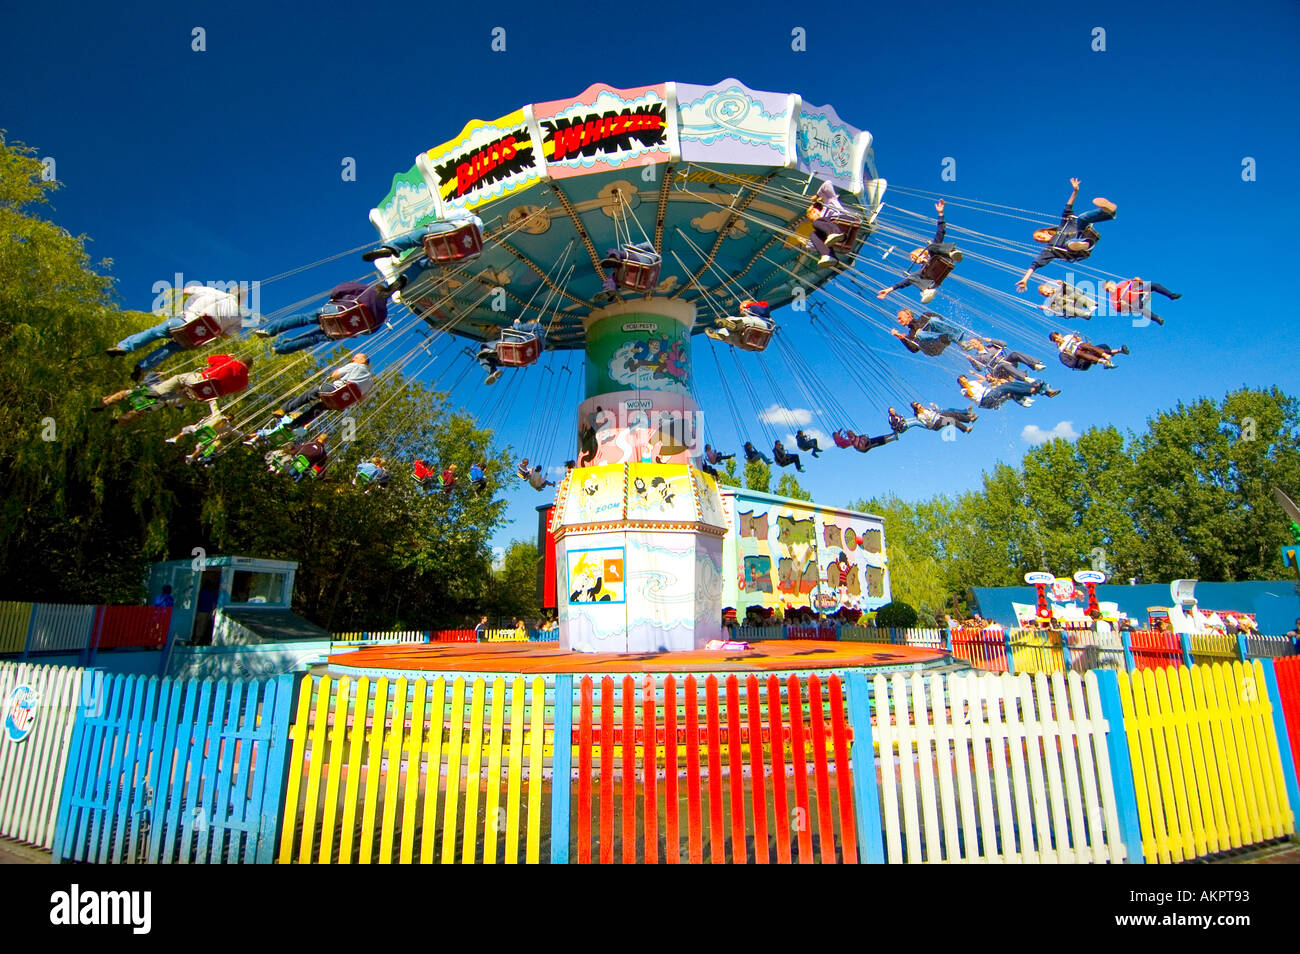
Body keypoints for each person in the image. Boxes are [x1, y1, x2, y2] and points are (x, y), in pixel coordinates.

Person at [107, 284, 245, 377]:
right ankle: (143, 368)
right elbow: (226, 336)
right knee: (170, 349)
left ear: (230, 292)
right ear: (240, 301)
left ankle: (124, 347)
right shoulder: (238, 318)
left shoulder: (212, 292)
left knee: (154, 332)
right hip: (195, 339)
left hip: (183, 323)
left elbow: (186, 290)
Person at [1016, 179, 1117, 290]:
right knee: (1069, 243)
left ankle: (1107, 212)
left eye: (1039, 236)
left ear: (1045, 232)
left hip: (1081, 233)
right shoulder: (1050, 248)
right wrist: (1025, 279)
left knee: (1082, 218)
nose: (1040, 239)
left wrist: (1075, 190)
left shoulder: (1063, 226)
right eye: (1039, 240)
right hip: (1074, 249)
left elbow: (1068, 207)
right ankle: (1083, 244)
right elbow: (1035, 264)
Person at [253, 278, 403, 353]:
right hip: (344, 329)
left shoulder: (367, 290)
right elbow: (370, 331)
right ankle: (280, 349)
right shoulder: (383, 314)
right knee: (315, 338)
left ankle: (270, 330)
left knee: (304, 319)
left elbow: (341, 288)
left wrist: (334, 298)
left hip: (336, 311)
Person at [102, 353, 253, 424]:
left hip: (198, 381)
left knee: (178, 378)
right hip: (202, 395)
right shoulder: (244, 382)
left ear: (240, 359)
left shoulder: (229, 361)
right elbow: (233, 390)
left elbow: (210, 359)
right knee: (167, 403)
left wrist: (227, 355)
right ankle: (124, 418)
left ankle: (155, 393)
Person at [876, 200, 959, 303]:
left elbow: (940, 232)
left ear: (921, 253)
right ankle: (926, 290)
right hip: (935, 275)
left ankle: (952, 253)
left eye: (916, 257)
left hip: (944, 258)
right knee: (912, 276)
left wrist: (940, 214)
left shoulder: (932, 253)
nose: (917, 261)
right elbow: (906, 282)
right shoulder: (924, 270)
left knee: (932, 246)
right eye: (915, 261)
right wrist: (889, 290)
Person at [279, 353, 374, 430]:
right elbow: (361, 399)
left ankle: (284, 409)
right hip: (341, 403)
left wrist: (334, 373)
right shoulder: (370, 382)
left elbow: (336, 374)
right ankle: (294, 425)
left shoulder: (356, 366)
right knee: (320, 407)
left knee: (310, 394)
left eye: (356, 358)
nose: (353, 359)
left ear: (363, 361)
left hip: (334, 391)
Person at [362, 211, 485, 264]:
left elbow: (443, 216)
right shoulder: (479, 229)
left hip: (453, 230)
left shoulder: (467, 213)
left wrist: (432, 224)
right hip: (460, 250)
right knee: (424, 263)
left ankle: (392, 248)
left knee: (417, 236)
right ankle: (404, 280)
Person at [805, 180, 861, 266]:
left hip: (845, 221)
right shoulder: (821, 224)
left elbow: (827, 184)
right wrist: (805, 243)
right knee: (813, 234)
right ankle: (829, 256)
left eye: (812, 211)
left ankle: (835, 233)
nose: (813, 215)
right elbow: (814, 245)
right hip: (841, 237)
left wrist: (817, 196)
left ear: (816, 209)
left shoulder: (829, 202)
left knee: (817, 223)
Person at [962, 337, 1046, 383]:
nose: (973, 344)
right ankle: (1024, 378)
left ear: (979, 341)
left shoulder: (991, 346)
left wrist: (991, 340)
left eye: (974, 342)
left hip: (1005, 360)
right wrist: (972, 360)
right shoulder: (977, 357)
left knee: (1015, 354)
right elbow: (979, 368)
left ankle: (1035, 364)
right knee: (1003, 364)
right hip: (997, 369)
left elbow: (1004, 344)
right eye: (971, 344)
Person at [1103, 277, 1181, 326]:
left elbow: (1137, 283)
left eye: (1110, 287)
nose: (1110, 289)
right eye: (1108, 289)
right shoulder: (1112, 299)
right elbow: (1118, 309)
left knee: (1154, 285)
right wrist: (1124, 305)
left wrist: (1138, 280)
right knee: (1139, 308)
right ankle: (1157, 318)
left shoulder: (1122, 284)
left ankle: (1171, 295)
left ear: (1113, 284)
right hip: (1134, 304)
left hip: (1139, 294)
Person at [890, 309, 965, 356]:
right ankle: (944, 336)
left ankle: (960, 341)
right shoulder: (911, 335)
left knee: (932, 320)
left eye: (900, 318)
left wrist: (928, 327)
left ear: (909, 316)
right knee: (919, 334)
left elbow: (940, 318)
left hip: (942, 339)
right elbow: (914, 349)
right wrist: (902, 338)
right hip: (933, 347)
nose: (898, 321)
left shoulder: (925, 316)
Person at [959, 373, 1057, 409]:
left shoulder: (972, 382)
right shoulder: (963, 390)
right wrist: (966, 386)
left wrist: (974, 373)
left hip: (990, 394)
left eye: (964, 379)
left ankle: (1041, 391)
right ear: (960, 383)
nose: (964, 381)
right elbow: (970, 394)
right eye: (961, 381)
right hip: (985, 400)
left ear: (966, 378)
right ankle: (1032, 390)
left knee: (1009, 385)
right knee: (1005, 387)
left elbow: (982, 379)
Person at [705, 300, 775, 348]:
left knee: (739, 320)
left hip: (762, 324)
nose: (741, 311)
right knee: (736, 338)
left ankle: (731, 327)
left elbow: (764, 308)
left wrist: (749, 306)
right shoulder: (750, 315)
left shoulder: (757, 310)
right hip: (753, 342)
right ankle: (722, 335)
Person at [1049, 331, 1129, 371]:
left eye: (1057, 337)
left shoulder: (1068, 336)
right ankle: (1103, 361)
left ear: (1059, 335)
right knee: (1079, 352)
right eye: (1055, 339)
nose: (1058, 339)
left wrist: (1078, 338)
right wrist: (1067, 350)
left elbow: (1079, 340)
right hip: (1079, 354)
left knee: (1087, 346)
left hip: (1082, 346)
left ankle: (1115, 352)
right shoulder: (1061, 348)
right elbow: (1071, 355)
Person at [889, 403, 977, 434]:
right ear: (917, 409)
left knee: (952, 414)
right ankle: (966, 429)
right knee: (950, 420)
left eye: (921, 406)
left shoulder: (927, 409)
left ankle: (969, 419)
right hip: (935, 424)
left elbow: (937, 410)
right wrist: (928, 418)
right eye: (920, 407)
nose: (922, 408)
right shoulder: (920, 416)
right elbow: (927, 424)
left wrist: (934, 406)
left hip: (939, 417)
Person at [832, 429, 898, 453]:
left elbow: (839, 434)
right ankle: (893, 438)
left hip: (866, 443)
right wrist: (869, 445)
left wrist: (840, 431)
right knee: (879, 442)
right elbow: (842, 442)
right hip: (865, 446)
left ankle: (892, 434)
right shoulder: (851, 441)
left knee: (879, 438)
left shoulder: (855, 437)